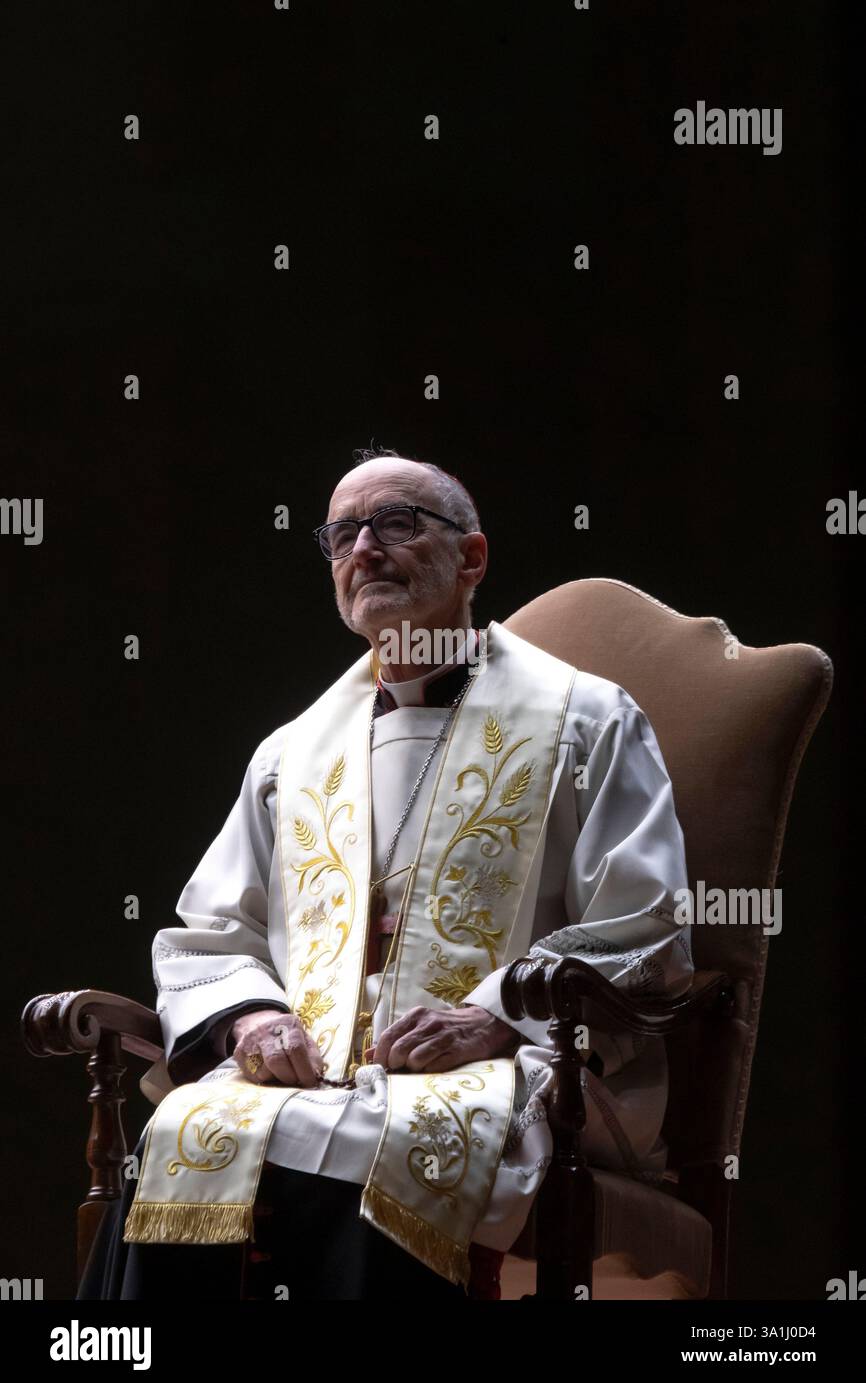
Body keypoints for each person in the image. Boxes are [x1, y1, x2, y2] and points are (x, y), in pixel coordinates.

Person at [77, 448, 693, 1301]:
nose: (363, 547)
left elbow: (647, 923)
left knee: (384, 1148)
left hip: (511, 1067)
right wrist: (252, 1017)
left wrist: (493, 1017)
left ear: (470, 559)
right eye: (341, 535)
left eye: (396, 522)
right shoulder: (290, 755)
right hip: (310, 1074)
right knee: (186, 1134)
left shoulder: (586, 721)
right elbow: (212, 935)